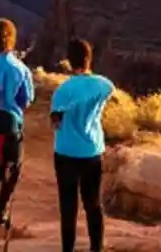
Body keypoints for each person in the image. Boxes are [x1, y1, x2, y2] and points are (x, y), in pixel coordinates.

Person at [51, 38, 114, 252]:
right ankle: (96, 247)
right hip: (92, 150)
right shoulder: (104, 85)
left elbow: (56, 122)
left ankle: (67, 249)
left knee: (68, 206)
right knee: (93, 203)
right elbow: (106, 95)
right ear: (89, 59)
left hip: (66, 151)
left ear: (69, 61)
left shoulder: (63, 90)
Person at [0, 18, 34, 224]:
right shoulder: (19, 68)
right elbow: (26, 100)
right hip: (9, 123)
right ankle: (0, 211)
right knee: (14, 167)